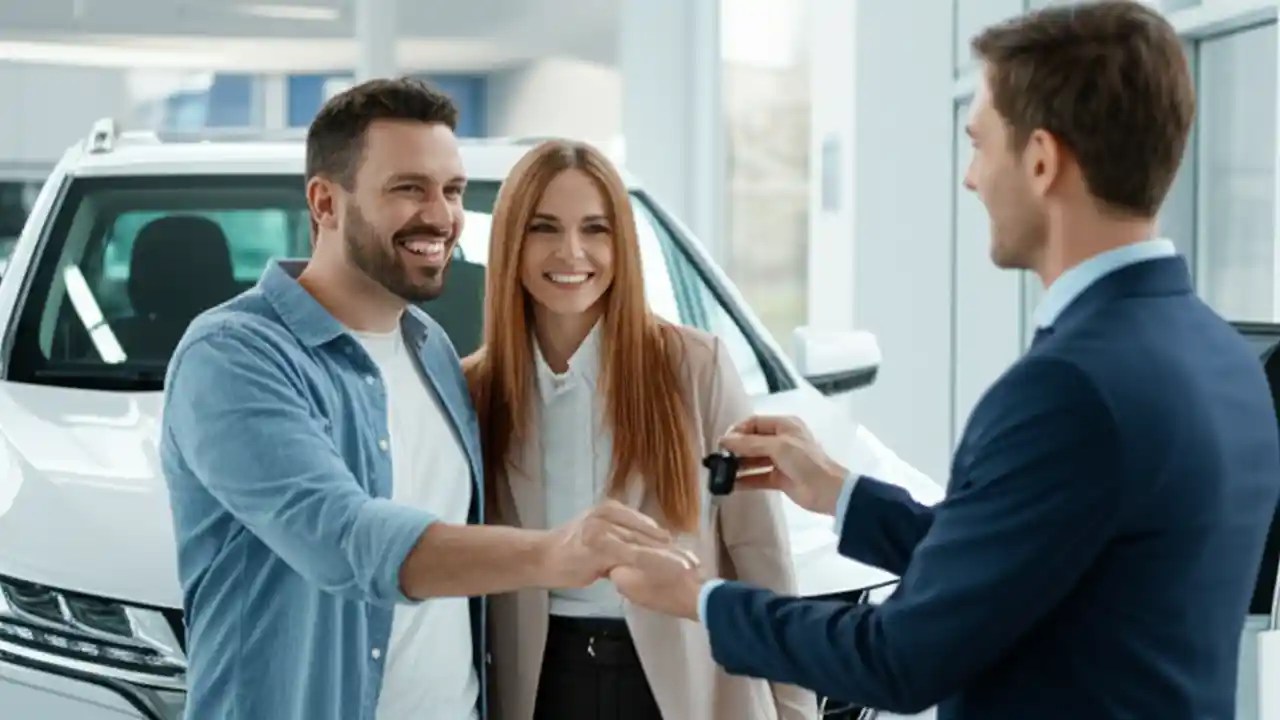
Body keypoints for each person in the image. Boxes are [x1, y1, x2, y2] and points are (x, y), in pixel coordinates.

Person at [608, 2, 1280, 719]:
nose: (970, 178)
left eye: (979, 144)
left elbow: (900, 657)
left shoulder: (1068, 388)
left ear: (1043, 160)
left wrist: (700, 600)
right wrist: (843, 494)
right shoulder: (1227, 358)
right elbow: (1035, 566)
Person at [160, 78, 674, 720]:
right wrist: (553, 552)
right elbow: (344, 538)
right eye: (408, 188)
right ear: (325, 201)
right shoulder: (235, 356)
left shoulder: (430, 347)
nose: (441, 216)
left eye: (452, 190)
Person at [462, 139, 817, 720]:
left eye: (595, 229)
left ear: (621, 243)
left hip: (686, 682)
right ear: (509, 244)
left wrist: (795, 710)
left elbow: (759, 551)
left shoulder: (694, 367)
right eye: (544, 228)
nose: (571, 252)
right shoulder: (474, 390)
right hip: (540, 682)